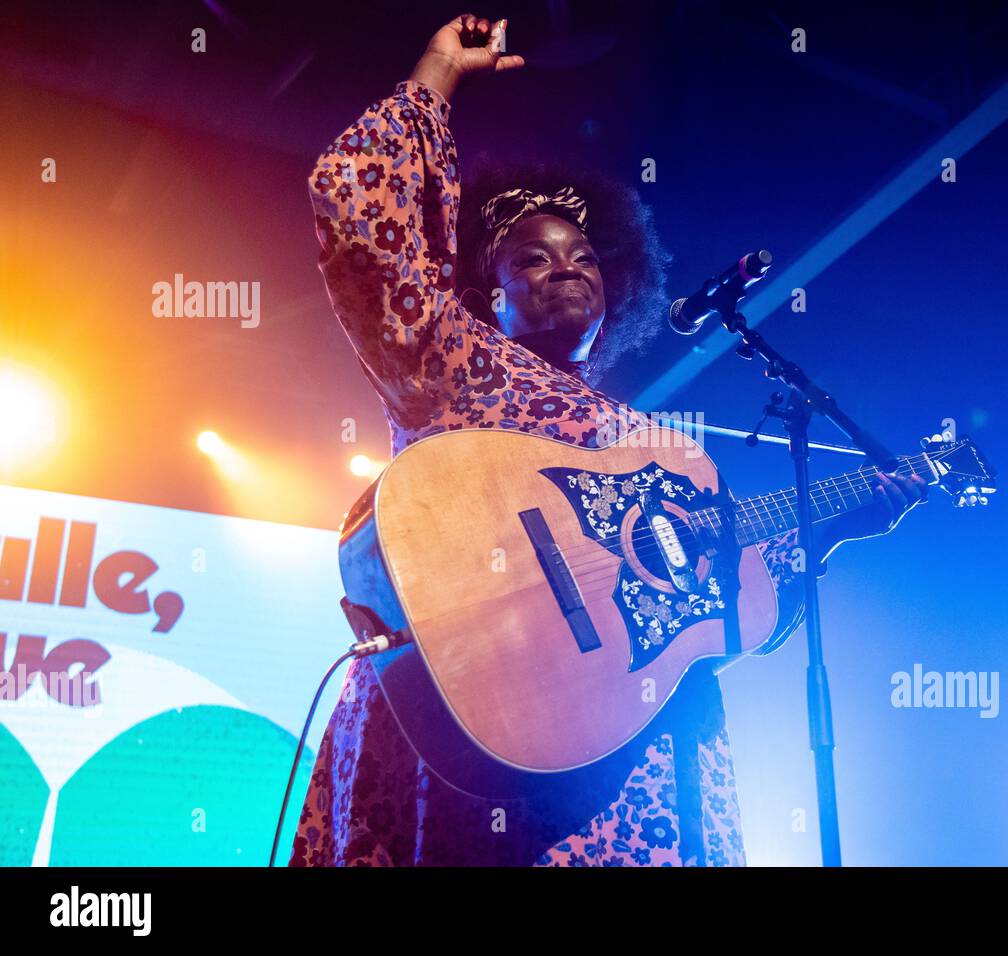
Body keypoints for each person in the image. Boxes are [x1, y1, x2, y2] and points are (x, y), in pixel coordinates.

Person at [290, 13, 927, 867]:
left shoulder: (658, 446)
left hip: (632, 763)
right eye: (535, 262)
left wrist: (836, 528)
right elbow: (366, 229)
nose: (568, 271)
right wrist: (436, 77)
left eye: (584, 259)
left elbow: (721, 609)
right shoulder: (454, 362)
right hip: (465, 720)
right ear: (488, 298)